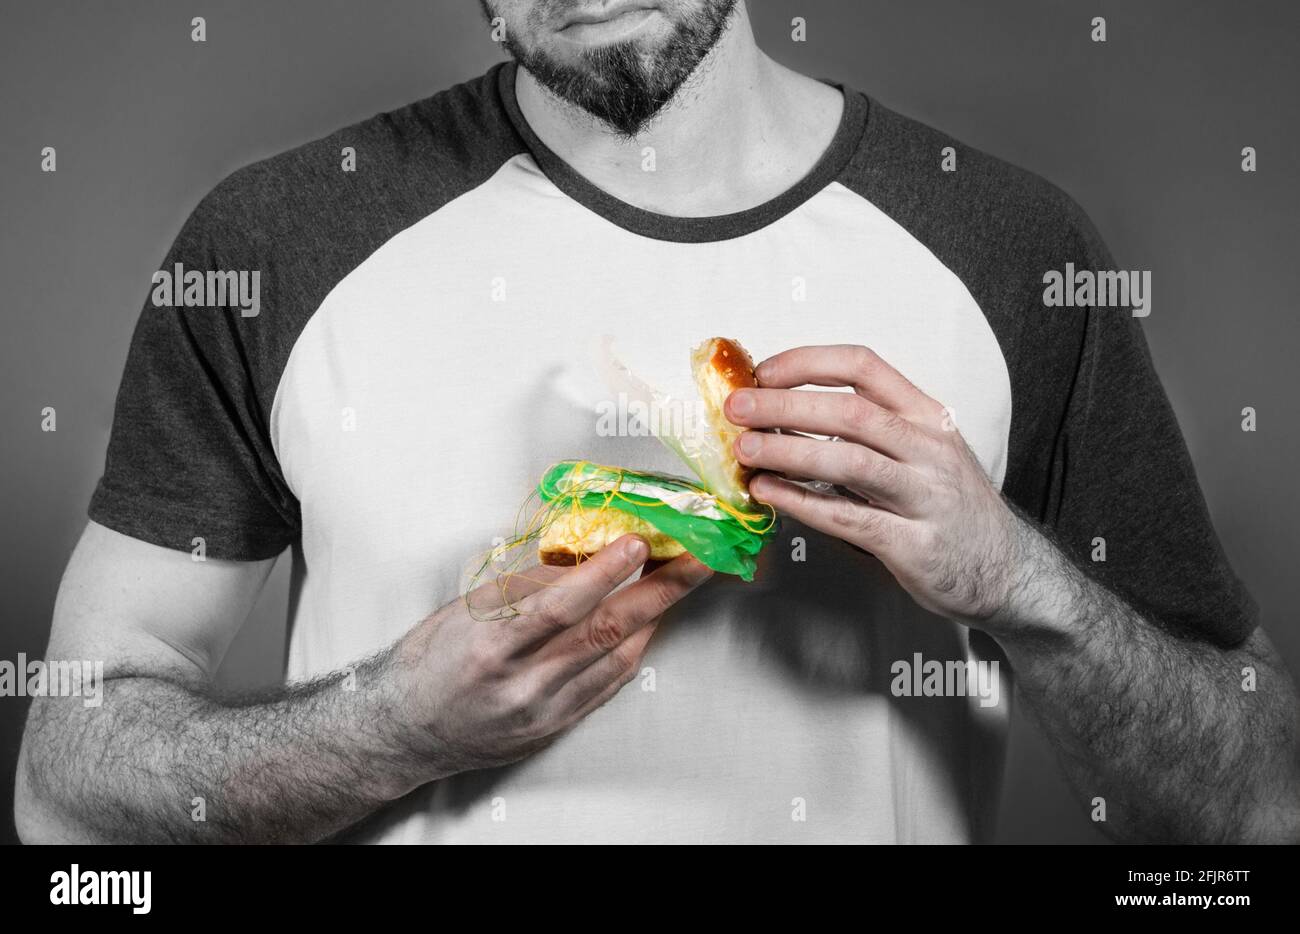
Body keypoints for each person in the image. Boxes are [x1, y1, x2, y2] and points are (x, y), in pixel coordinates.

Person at [16, 0, 1299, 844]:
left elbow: (1258, 805)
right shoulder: (275, 244)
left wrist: (1022, 583)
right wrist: (388, 727)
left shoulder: (1007, 246)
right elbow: (62, 801)